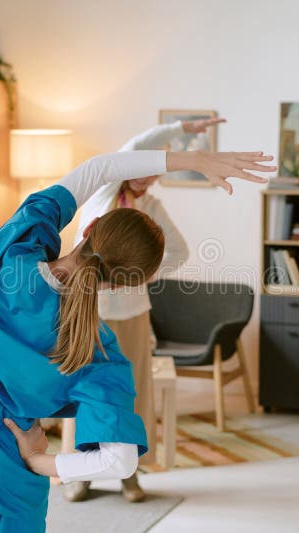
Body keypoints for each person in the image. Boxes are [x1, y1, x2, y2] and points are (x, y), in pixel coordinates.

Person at [0, 147, 274, 531]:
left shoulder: (9, 252)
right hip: (5, 482)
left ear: (88, 228)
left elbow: (98, 169)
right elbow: (120, 461)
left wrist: (193, 160)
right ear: (129, 283)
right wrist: (43, 462)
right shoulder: (100, 354)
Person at [61, 117, 222, 503]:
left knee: (130, 393)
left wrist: (136, 275)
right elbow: (135, 144)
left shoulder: (151, 207)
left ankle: (128, 472)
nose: (145, 180)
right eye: (143, 171)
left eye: (153, 176)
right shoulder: (102, 192)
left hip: (132, 313)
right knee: (82, 390)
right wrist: (183, 126)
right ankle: (79, 473)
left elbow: (180, 253)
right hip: (90, 309)